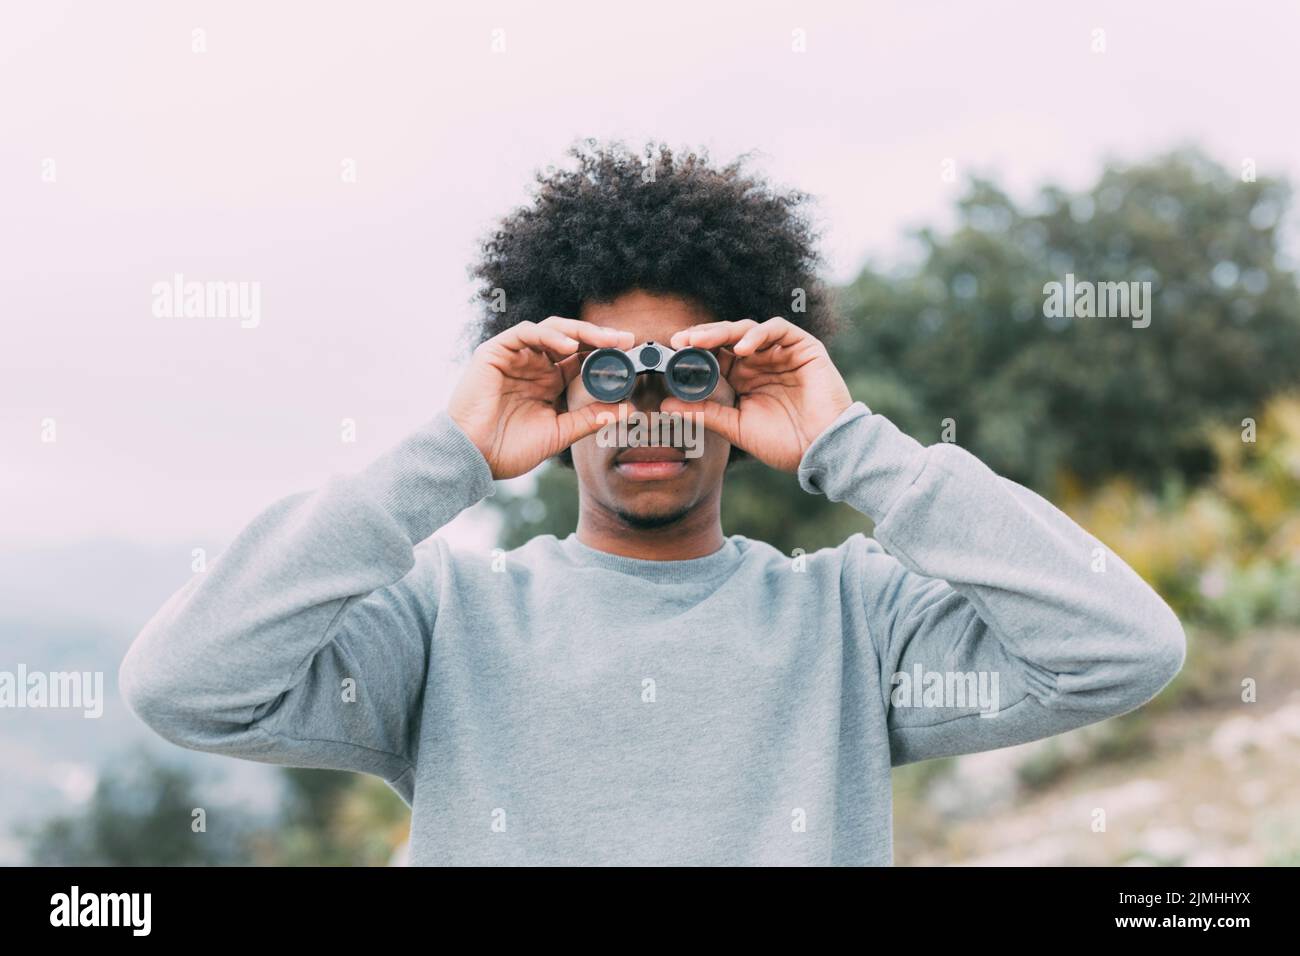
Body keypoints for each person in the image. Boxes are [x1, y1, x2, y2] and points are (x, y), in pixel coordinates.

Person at [119, 142, 1186, 865]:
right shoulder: (445, 616)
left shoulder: (854, 619)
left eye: (683, 371)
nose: (644, 409)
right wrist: (445, 455)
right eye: (605, 374)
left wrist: (854, 447)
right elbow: (184, 686)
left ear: (739, 383)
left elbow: (1122, 648)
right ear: (548, 386)